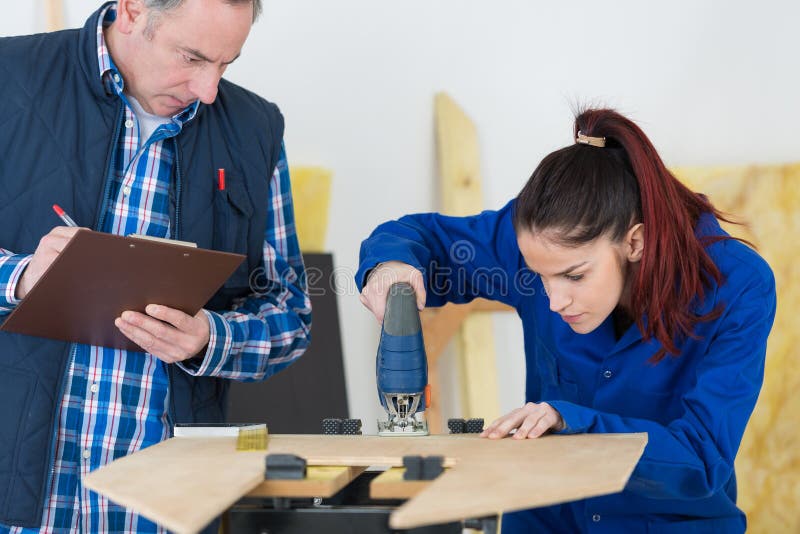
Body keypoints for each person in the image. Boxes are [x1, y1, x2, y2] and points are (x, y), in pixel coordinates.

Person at [357, 108, 776, 533]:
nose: (554, 301)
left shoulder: (735, 285)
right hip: (547, 518)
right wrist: (390, 263)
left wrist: (572, 423)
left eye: (574, 276)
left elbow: (700, 459)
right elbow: (423, 238)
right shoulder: (537, 240)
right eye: (539, 277)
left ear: (636, 241)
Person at [0, 0, 311, 531]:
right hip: (17, 496)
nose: (208, 89)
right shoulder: (10, 77)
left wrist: (208, 339)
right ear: (132, 11)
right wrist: (20, 276)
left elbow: (290, 313)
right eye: (191, 57)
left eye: (226, 65)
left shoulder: (256, 129)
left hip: (164, 506)